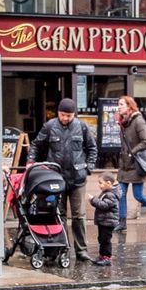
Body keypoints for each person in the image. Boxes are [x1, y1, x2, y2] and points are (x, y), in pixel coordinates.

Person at [31, 97, 98, 260]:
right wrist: (31, 161)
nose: (65, 118)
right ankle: (60, 248)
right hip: (55, 178)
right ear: (58, 113)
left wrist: (89, 167)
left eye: (69, 115)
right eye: (62, 115)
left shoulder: (82, 126)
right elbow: (36, 145)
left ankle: (81, 250)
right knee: (57, 214)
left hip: (77, 178)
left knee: (79, 215)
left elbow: (92, 148)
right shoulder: (49, 126)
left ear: (74, 114)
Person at [115, 95, 146, 231]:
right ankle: (122, 222)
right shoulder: (123, 122)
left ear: (129, 106)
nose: (119, 107)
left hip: (136, 164)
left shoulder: (138, 121)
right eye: (118, 104)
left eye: (121, 104)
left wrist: (132, 152)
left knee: (138, 196)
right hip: (124, 164)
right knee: (121, 194)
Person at [89, 172, 120, 265]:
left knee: (105, 240)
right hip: (104, 221)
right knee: (102, 239)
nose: (99, 185)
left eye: (100, 183)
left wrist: (93, 200)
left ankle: (106, 258)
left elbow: (104, 205)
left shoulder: (111, 194)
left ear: (109, 183)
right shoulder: (106, 192)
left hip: (108, 222)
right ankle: (102, 256)